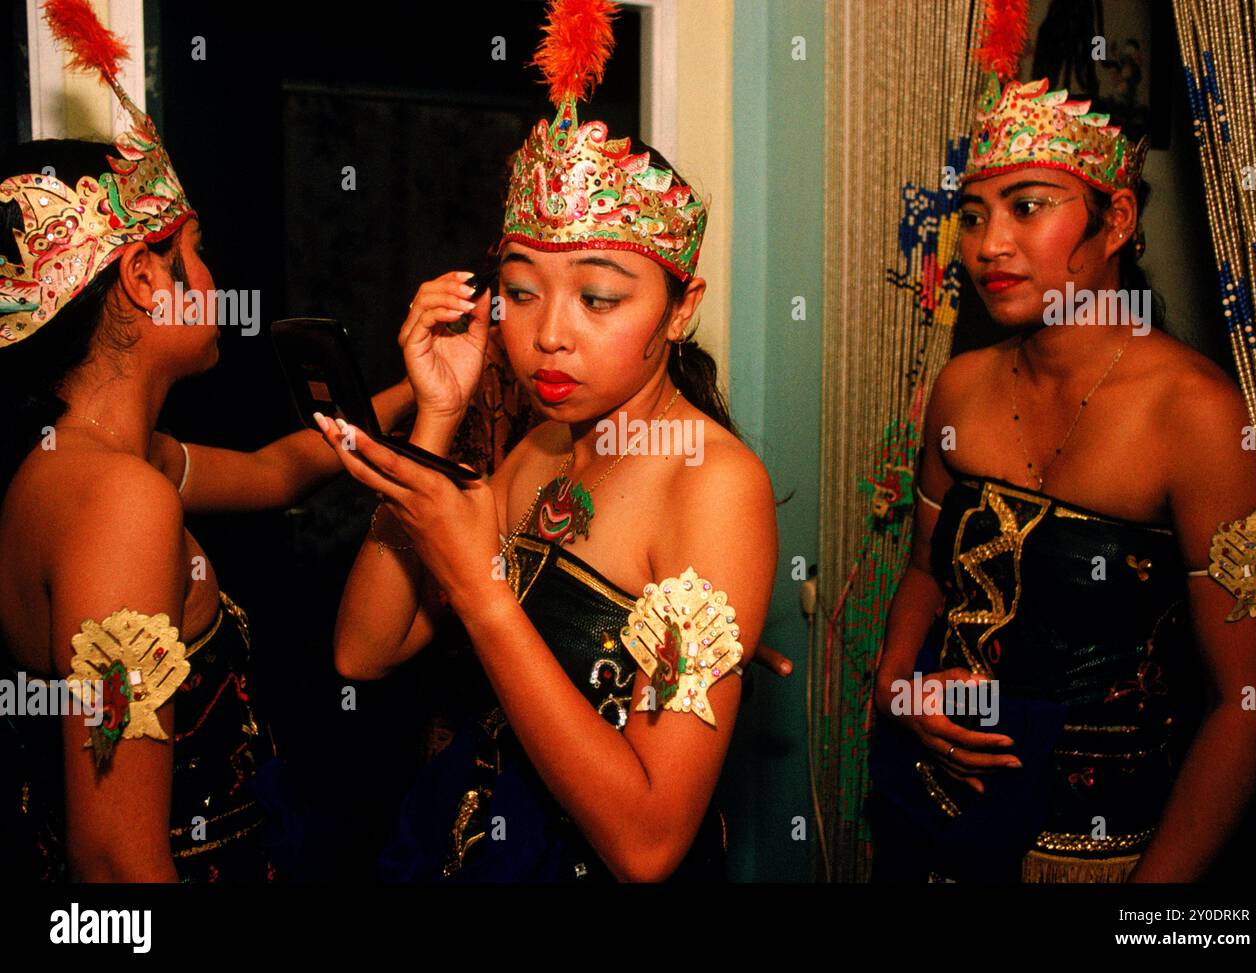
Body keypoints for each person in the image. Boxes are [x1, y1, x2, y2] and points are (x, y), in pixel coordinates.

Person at [316, 0, 778, 882]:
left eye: (598, 298)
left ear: (681, 307)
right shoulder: (538, 450)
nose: (549, 335)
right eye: (522, 293)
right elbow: (362, 650)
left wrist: (482, 594)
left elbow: (649, 842)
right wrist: (436, 419)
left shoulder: (714, 486)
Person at [0, 3, 413, 881]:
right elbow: (115, 858)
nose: (217, 279)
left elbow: (279, 471)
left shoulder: (105, 459)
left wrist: (422, 383)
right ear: (144, 278)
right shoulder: (119, 501)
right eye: (197, 249)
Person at [869, 73, 1256, 882]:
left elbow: (1247, 704)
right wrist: (896, 684)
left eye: (1027, 206)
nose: (990, 244)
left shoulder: (1197, 415)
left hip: (1096, 849)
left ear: (1116, 220)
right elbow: (925, 569)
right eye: (973, 215)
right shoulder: (960, 387)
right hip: (929, 817)